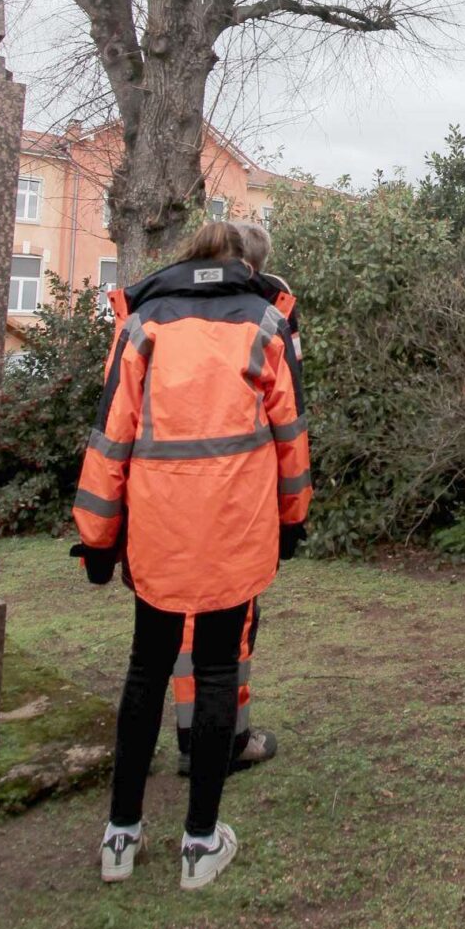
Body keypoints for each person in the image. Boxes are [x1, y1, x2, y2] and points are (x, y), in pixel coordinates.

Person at [72, 220, 312, 888]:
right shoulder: (265, 323)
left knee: (145, 669)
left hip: (157, 528)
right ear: (242, 260)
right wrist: (293, 520)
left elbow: (110, 435)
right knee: (213, 670)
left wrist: (96, 537)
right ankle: (200, 844)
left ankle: (121, 836)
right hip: (233, 529)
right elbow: (290, 436)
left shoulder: (143, 324)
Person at [169, 219, 302, 778]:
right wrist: (293, 513)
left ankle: (190, 732)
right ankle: (225, 740)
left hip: (169, 498)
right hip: (238, 494)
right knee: (232, 623)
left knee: (182, 624)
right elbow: (287, 411)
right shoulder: (266, 318)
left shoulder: (161, 313)